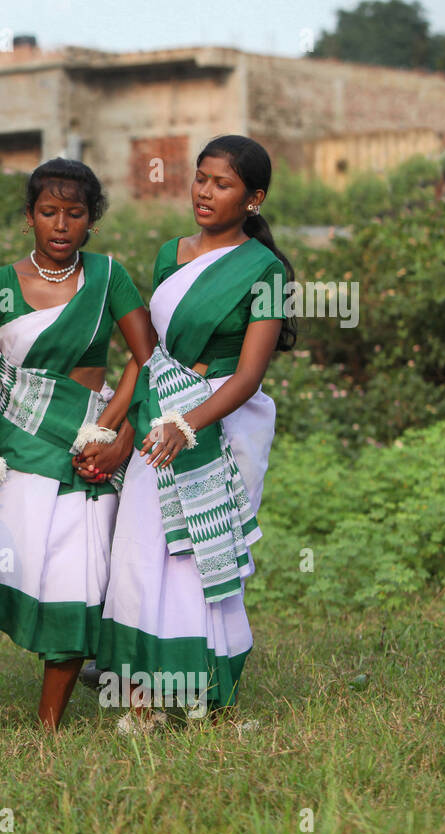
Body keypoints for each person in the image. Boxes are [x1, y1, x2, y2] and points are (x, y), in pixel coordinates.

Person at [0, 158, 153, 731]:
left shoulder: (110, 278)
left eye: (75, 214)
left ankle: (48, 728)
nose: (61, 225)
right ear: (29, 217)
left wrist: (112, 432)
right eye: (48, 212)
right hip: (13, 455)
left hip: (87, 458)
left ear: (92, 221)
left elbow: (148, 357)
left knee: (75, 583)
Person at [96, 134, 296, 734]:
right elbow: (147, 356)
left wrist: (189, 422)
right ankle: (143, 698)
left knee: (200, 557)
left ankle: (207, 694)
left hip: (220, 422)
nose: (205, 193)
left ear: (253, 198)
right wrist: (109, 424)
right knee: (140, 549)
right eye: (201, 178)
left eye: (224, 184)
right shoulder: (169, 254)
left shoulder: (266, 271)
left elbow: (252, 373)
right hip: (160, 415)